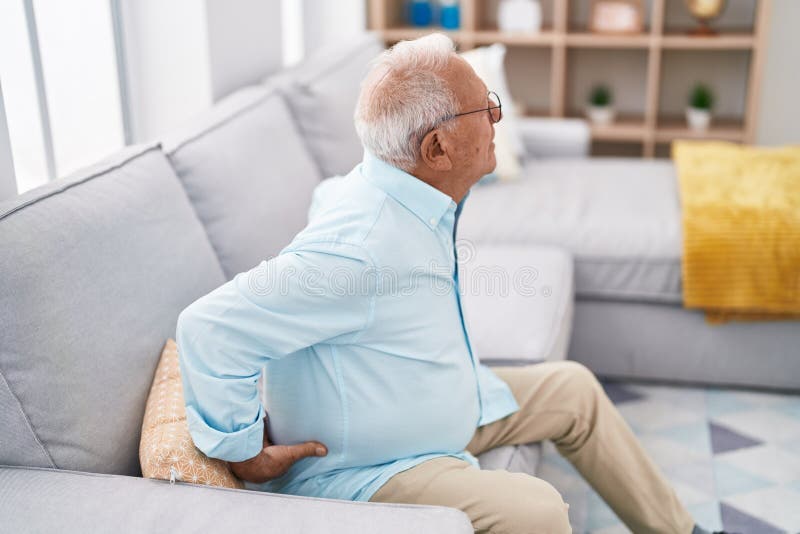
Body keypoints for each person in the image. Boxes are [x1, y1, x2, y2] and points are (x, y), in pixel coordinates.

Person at [176, 33, 725, 534]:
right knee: (537, 510)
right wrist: (244, 452)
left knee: (573, 389)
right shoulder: (359, 250)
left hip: (443, 405)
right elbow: (209, 328)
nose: (498, 117)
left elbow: (329, 198)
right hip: (372, 467)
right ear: (437, 149)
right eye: (486, 108)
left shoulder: (391, 188)